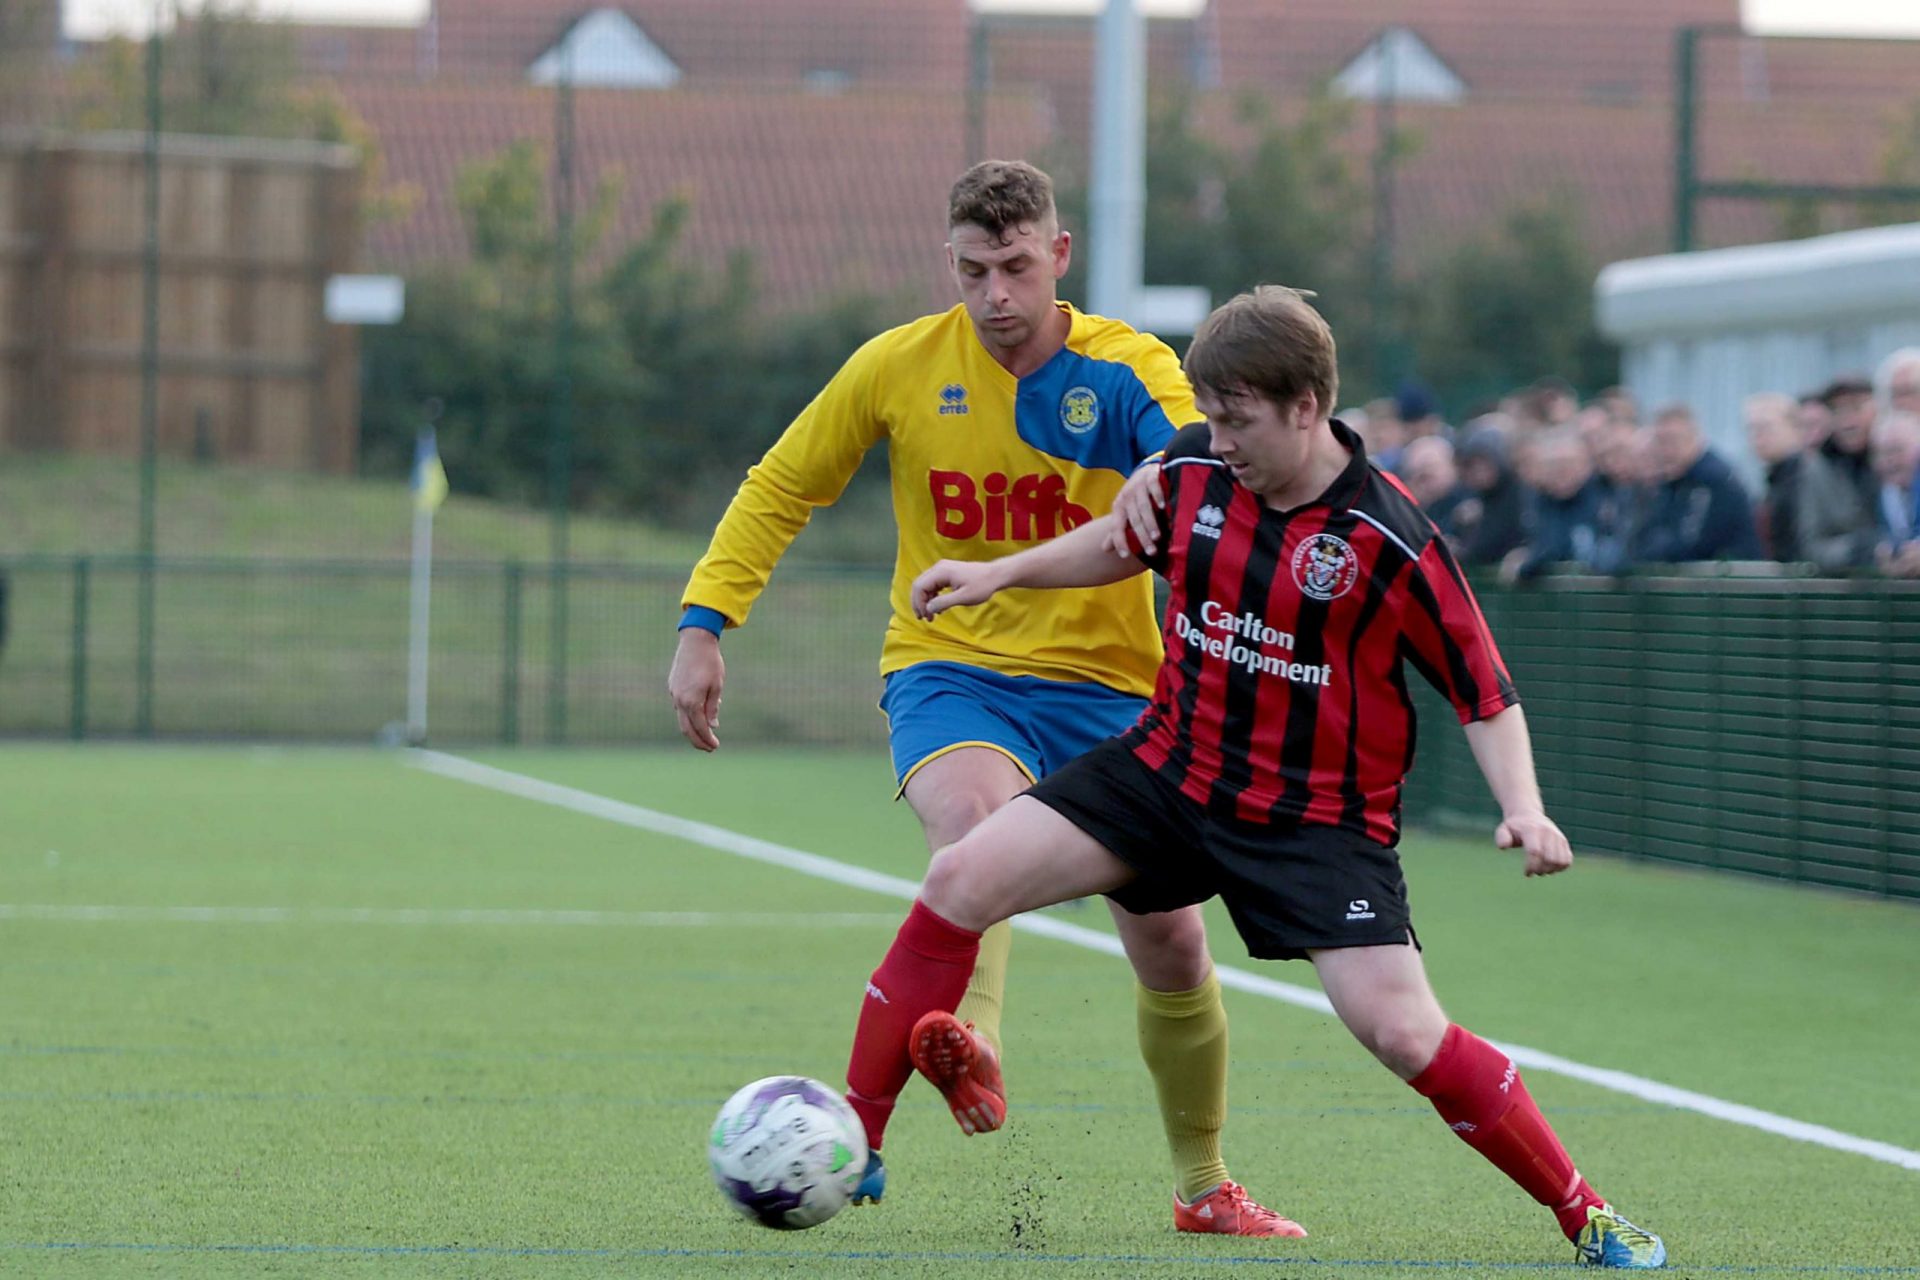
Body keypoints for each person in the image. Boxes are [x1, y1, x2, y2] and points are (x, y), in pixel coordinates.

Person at [841, 286, 1667, 1268]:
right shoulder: (1191, 465)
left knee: (1403, 1031)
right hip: (1169, 768)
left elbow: (1483, 689)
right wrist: (999, 571)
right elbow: (1120, 541)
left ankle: (1587, 1211)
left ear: (1306, 406)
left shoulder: (1388, 537)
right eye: (1209, 414)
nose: (1218, 436)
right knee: (960, 876)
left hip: (1314, 820)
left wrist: (1524, 809)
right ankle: (855, 1140)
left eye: (1237, 418)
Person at [669, 160, 1292, 1234]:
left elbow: (1212, 476)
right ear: (947, 263)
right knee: (974, 827)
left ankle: (1202, 1186)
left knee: (1176, 947)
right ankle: (972, 1033)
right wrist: (702, 620)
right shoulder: (899, 365)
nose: (994, 293)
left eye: (1014, 265)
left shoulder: (1132, 370)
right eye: (972, 269)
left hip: (1115, 693)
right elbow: (783, 482)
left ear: (1059, 255)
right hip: (953, 667)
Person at [1629, 404, 1761, 563]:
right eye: (1660, 441)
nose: (1667, 450)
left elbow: (1694, 543)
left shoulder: (1712, 479)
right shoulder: (1673, 480)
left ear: (1694, 436)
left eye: (1673, 440)